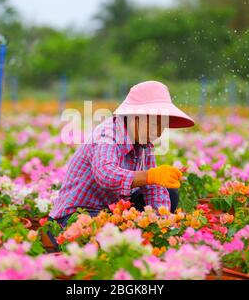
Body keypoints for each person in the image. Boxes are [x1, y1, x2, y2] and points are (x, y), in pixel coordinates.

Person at [49, 81, 194, 228]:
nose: (156, 132)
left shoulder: (144, 143)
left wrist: (162, 222)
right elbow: (105, 174)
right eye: (152, 125)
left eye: (161, 127)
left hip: (110, 210)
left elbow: (153, 188)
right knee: (110, 232)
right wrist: (149, 176)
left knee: (169, 192)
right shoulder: (108, 134)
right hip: (76, 214)